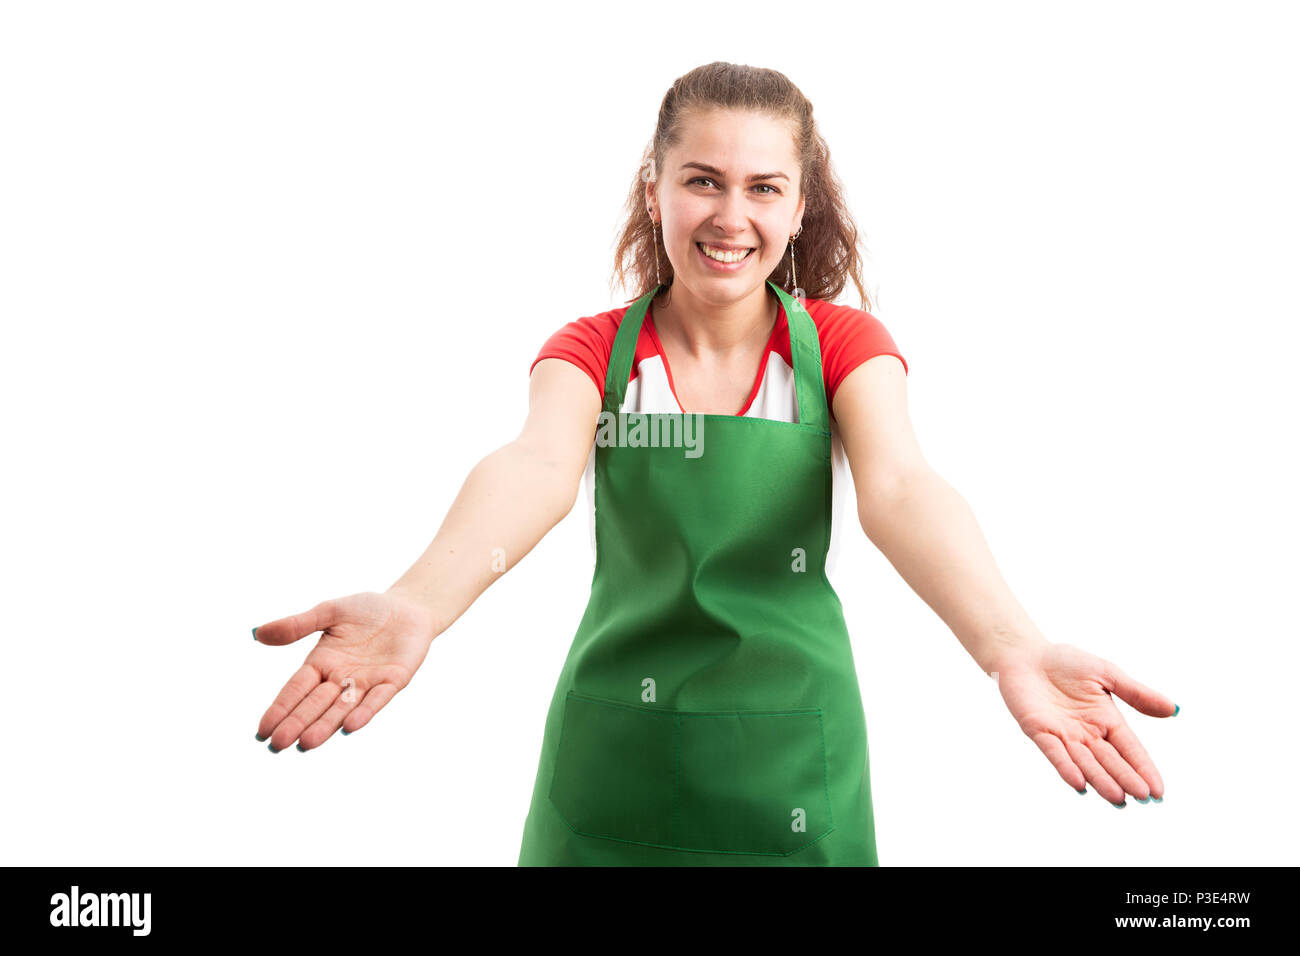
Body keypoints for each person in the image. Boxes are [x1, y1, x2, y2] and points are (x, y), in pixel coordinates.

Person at [251, 62, 1177, 866]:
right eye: (703, 180)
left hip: (794, 776)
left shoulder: (844, 346)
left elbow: (901, 488)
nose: (731, 216)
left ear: (799, 204)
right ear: (654, 189)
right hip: (611, 767)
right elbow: (536, 466)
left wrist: (1009, 643)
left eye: (764, 188)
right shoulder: (593, 350)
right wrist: (418, 601)